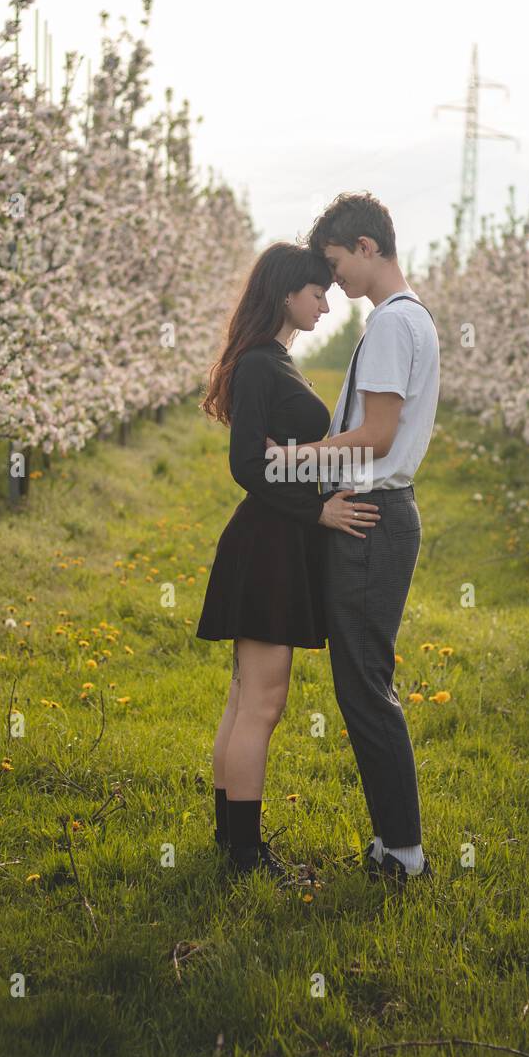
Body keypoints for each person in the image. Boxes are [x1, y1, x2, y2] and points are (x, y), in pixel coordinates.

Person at [265, 193, 440, 888]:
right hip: (378, 512)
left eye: (336, 263)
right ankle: (395, 845)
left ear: (367, 247)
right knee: (364, 681)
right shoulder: (407, 318)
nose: (333, 279)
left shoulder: (395, 326)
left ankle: (403, 854)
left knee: (366, 685)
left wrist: (287, 461)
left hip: (373, 516)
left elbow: (375, 437)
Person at [196, 242, 382, 879]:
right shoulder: (258, 366)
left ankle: (231, 846)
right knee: (261, 705)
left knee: (245, 697)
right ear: (284, 294)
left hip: (273, 543)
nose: (326, 304)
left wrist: (304, 459)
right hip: (270, 545)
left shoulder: (272, 360)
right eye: (315, 293)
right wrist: (318, 511)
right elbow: (246, 462)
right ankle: (244, 860)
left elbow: (274, 457)